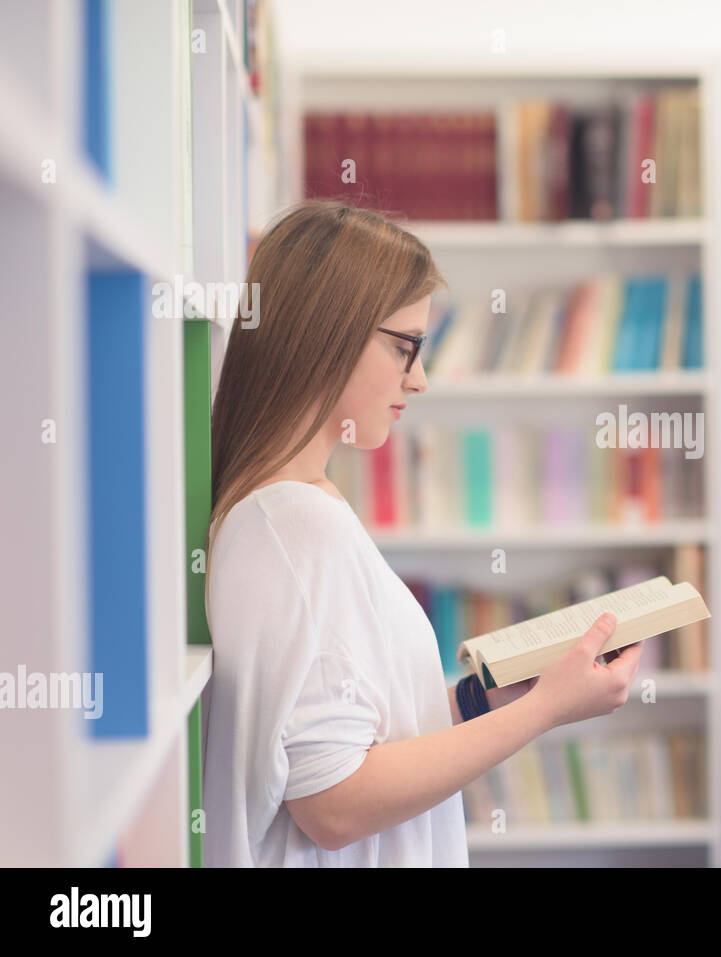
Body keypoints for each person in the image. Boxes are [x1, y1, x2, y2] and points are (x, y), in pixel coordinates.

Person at [202, 200, 644, 866]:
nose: (420, 378)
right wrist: (545, 709)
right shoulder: (295, 524)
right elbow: (333, 802)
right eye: (404, 347)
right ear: (331, 332)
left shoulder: (291, 510)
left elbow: (353, 733)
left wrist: (482, 698)